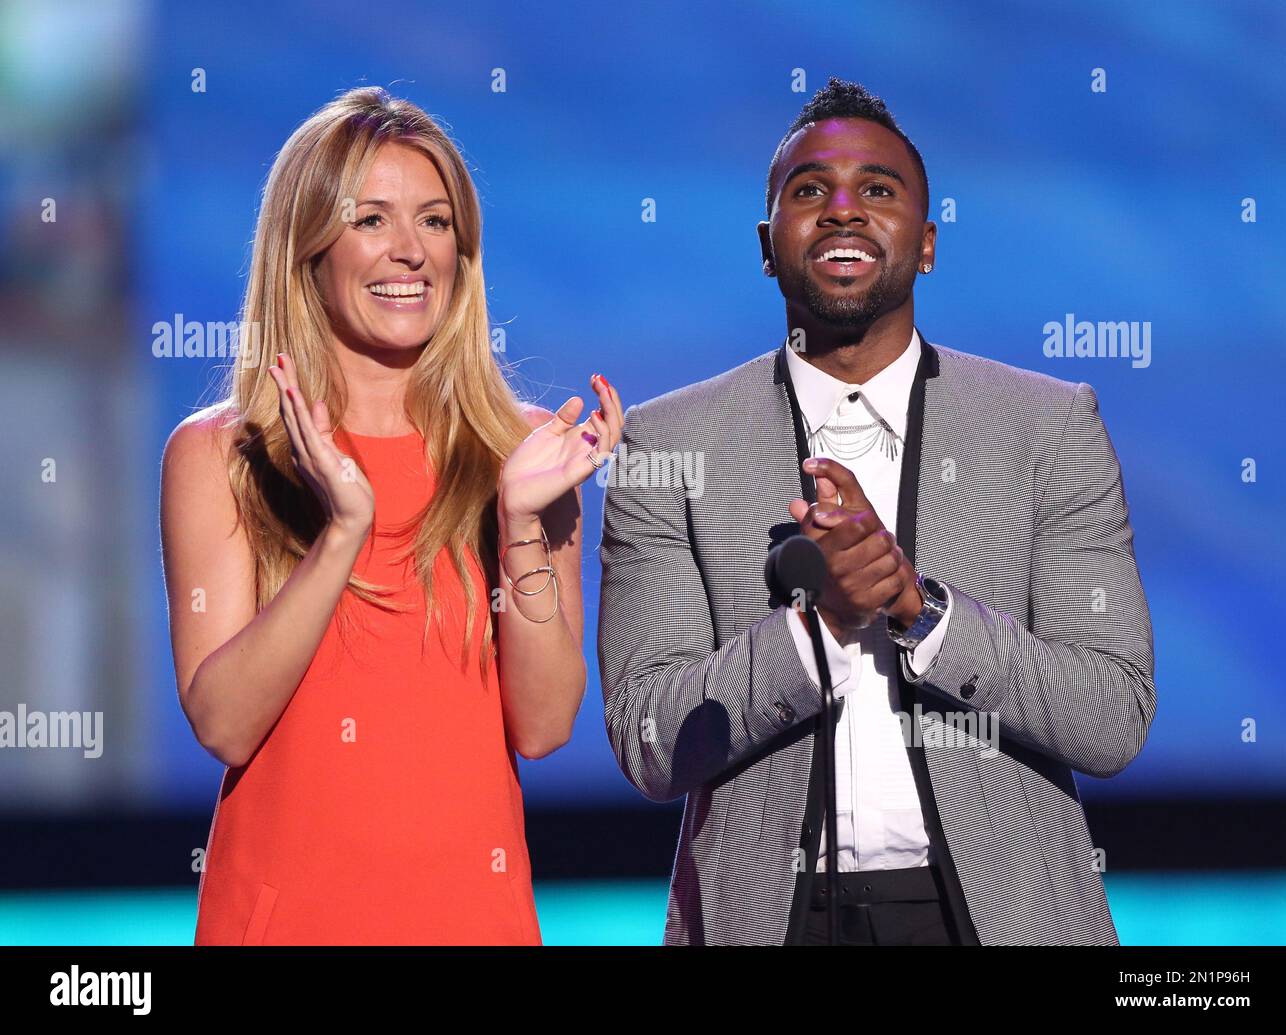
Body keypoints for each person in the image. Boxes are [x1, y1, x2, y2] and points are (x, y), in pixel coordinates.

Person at [597, 77, 1155, 945]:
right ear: (766, 244)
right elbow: (649, 740)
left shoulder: (1047, 426)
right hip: (768, 921)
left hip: (1001, 919)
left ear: (926, 243)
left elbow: (1112, 715)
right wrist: (813, 632)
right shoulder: (667, 441)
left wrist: (917, 609)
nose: (843, 211)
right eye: (809, 190)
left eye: (879, 191)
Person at [160, 87, 623, 944]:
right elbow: (224, 724)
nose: (411, 252)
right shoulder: (222, 455)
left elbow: (548, 721)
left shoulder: (523, 450)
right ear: (308, 247)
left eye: (436, 222)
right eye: (372, 219)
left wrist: (522, 519)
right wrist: (343, 532)